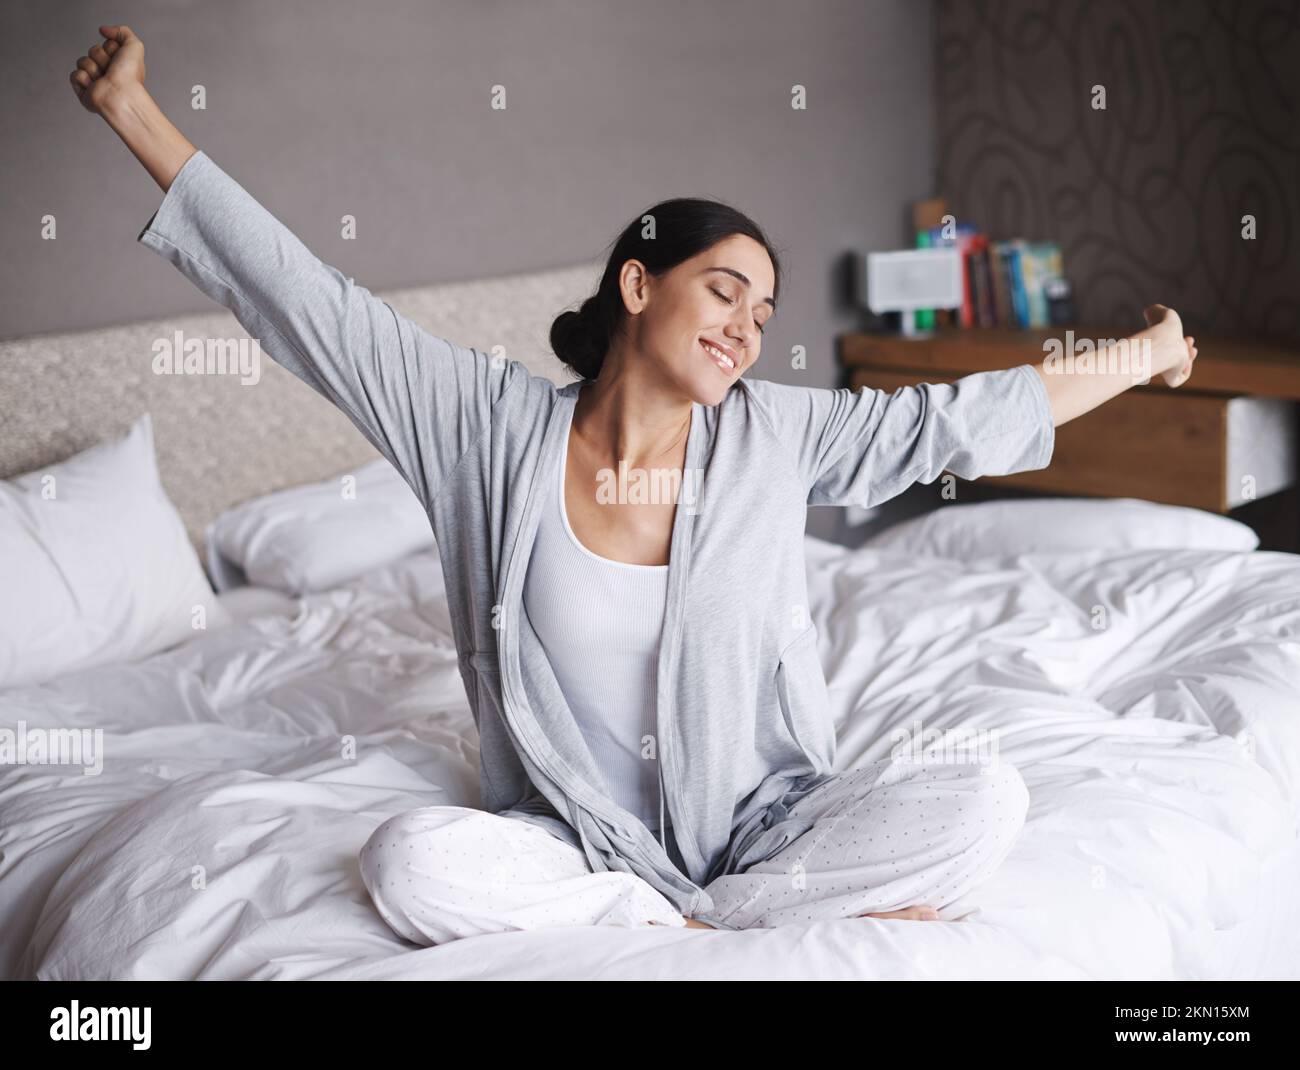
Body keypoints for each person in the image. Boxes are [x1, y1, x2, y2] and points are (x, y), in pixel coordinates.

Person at [70, 25, 1198, 942]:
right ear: (638, 283)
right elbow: (312, 308)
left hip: (767, 820)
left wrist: (1144, 354)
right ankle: (679, 908)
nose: (747, 330)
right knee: (409, 860)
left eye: (762, 314)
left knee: (985, 800)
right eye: (722, 292)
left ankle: (700, 913)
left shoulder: (772, 435)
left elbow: (953, 422)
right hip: (574, 831)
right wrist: (136, 112)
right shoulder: (484, 428)